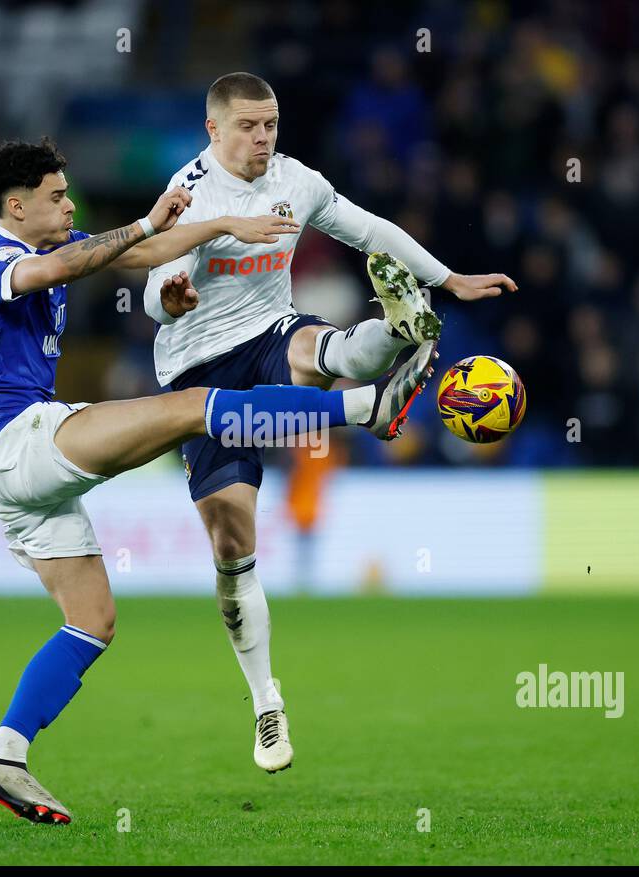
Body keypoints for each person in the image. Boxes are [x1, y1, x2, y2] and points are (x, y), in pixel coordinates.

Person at [0, 137, 436, 823]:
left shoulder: (56, 246)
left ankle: (4, 753)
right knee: (192, 409)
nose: (68, 204)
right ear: (16, 203)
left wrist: (216, 228)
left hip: (18, 475)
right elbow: (54, 270)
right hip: (18, 442)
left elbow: (141, 254)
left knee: (91, 623)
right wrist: (150, 223)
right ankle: (365, 405)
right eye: (57, 196)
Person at [142, 72, 516, 772]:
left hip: (270, 331)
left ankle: (398, 329)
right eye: (249, 126)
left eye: (271, 124)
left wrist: (448, 279)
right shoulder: (188, 193)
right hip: (198, 370)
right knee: (231, 545)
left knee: (317, 349)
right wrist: (171, 295)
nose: (262, 138)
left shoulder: (296, 180)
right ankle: (265, 704)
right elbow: (149, 300)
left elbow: (369, 228)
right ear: (213, 130)